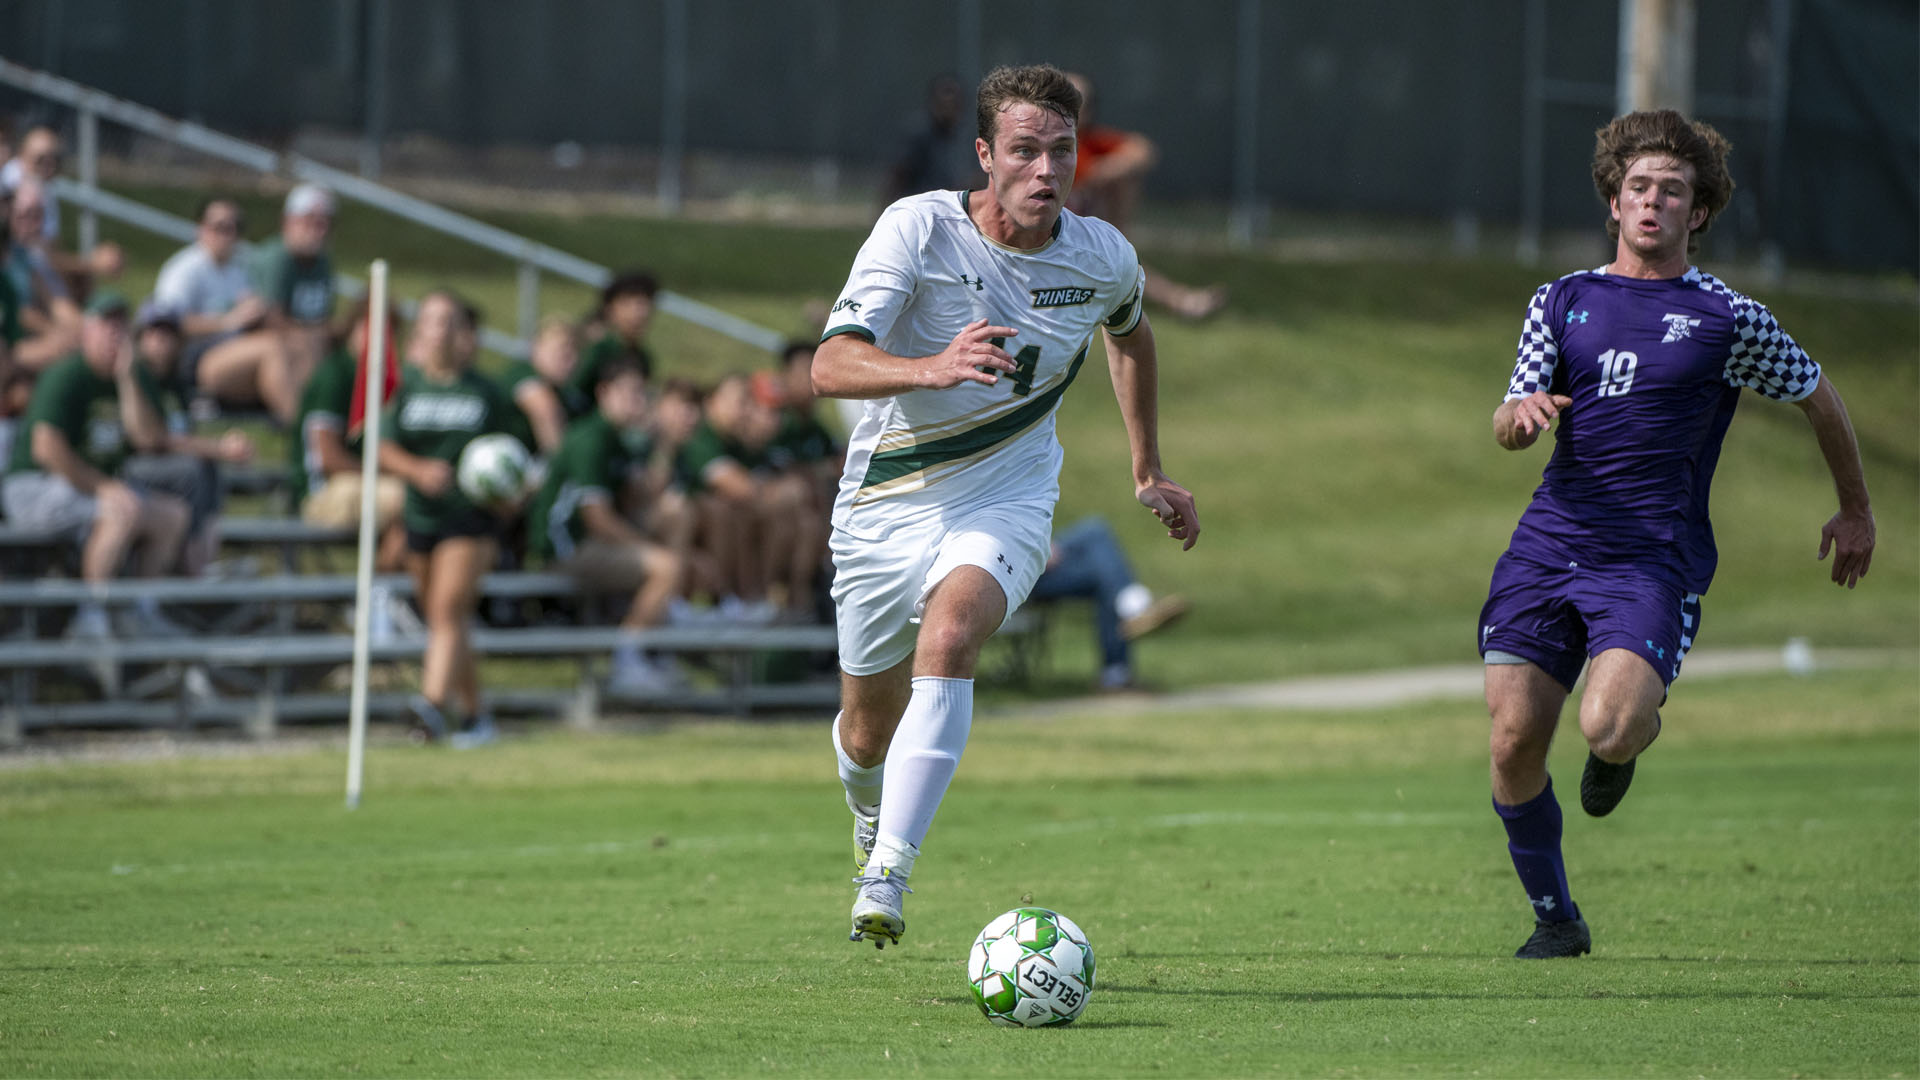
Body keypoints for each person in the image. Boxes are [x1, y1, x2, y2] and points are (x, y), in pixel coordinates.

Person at [813, 64, 1199, 948]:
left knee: (949, 639)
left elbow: (1132, 333)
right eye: (1024, 151)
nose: (1045, 170)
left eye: (1061, 152)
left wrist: (1148, 469)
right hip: (887, 503)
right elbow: (828, 366)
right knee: (866, 730)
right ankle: (870, 818)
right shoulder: (916, 229)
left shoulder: (1101, 254)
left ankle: (890, 873)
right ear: (986, 155)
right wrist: (931, 367)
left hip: (1008, 495)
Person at [1478, 110, 1875, 959]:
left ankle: (1631, 740)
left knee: (1608, 728)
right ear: (1614, 205)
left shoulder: (1730, 320)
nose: (1653, 203)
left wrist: (1856, 509)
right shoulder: (1562, 300)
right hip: (1550, 543)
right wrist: (1522, 420)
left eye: (1673, 192)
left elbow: (1819, 396)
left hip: (1651, 561)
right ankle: (1556, 918)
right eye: (1638, 189)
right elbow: (1512, 414)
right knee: (1512, 741)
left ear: (1699, 213)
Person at [0, 292, 191, 685]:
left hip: (87, 491)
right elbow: (46, 448)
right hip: (33, 487)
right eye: (106, 325)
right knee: (121, 508)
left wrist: (126, 381)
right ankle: (92, 617)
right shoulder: (67, 374)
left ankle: (139, 608)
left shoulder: (131, 378)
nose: (115, 335)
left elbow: (146, 438)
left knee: (172, 515)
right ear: (87, 331)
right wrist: (104, 487)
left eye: (121, 327)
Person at [378, 290, 520, 746]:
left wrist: (506, 492)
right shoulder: (404, 388)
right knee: (447, 623)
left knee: (446, 610)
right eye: (434, 321)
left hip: (471, 518)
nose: (443, 330)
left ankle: (431, 708)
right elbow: (380, 446)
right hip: (422, 516)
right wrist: (417, 470)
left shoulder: (485, 392)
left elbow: (515, 457)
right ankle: (478, 717)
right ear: (420, 331)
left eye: (451, 321)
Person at [529, 358, 686, 693]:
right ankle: (628, 662)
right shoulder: (591, 437)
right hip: (566, 548)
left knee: (676, 515)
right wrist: (650, 548)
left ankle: (669, 622)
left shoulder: (618, 438)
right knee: (667, 568)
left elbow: (644, 495)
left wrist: (666, 444)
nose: (637, 401)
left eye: (641, 394)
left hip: (591, 543)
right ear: (603, 393)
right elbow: (597, 520)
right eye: (629, 393)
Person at [1062, 73, 1226, 321]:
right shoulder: (1050, 145)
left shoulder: (1091, 143)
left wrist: (1100, 173)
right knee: (1114, 258)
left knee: (1125, 184)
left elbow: (1143, 151)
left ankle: (1122, 246)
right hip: (1049, 235)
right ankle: (1180, 300)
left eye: (1083, 101)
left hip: (1083, 232)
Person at [118, 300, 254, 576]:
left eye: (168, 333)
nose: (161, 341)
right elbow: (150, 439)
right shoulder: (138, 375)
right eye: (154, 333)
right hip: (129, 466)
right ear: (140, 337)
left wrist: (217, 450)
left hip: (164, 466)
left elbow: (182, 436)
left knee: (207, 469)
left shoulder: (175, 382)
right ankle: (190, 566)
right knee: (191, 471)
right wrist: (219, 448)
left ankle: (203, 559)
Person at [675, 372, 818, 623]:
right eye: (740, 403)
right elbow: (743, 490)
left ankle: (787, 600)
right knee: (727, 510)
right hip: (686, 538)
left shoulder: (736, 443)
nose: (744, 411)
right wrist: (783, 491)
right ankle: (742, 598)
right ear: (711, 402)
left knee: (801, 522)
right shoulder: (703, 438)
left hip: (712, 537)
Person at [196, 184, 336, 423]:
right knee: (292, 344)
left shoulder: (322, 263)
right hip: (220, 352)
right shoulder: (274, 258)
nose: (317, 230)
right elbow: (272, 320)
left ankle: (324, 426)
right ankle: (307, 432)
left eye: (324, 222)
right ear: (288, 221)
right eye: (309, 221)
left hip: (265, 352)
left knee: (310, 344)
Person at [291, 298, 407, 571]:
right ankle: (380, 595)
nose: (381, 340)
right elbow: (327, 458)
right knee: (407, 500)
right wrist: (391, 475)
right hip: (324, 491)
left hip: (363, 483)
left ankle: (391, 593)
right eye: (373, 329)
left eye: (389, 333)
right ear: (355, 327)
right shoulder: (336, 373)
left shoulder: (386, 378)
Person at [1028, 516, 1190, 691]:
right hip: (1021, 577)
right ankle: (1135, 606)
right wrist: (1035, 553)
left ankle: (1115, 675)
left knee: (1105, 579)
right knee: (1095, 533)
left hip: (1035, 564)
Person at [152, 198, 267, 389]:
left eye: (236, 227)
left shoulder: (240, 271)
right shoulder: (183, 269)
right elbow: (169, 322)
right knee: (273, 350)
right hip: (196, 361)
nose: (229, 234)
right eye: (220, 227)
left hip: (235, 352)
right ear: (201, 229)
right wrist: (230, 321)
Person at [0, 125, 123, 286]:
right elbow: (45, 256)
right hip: (12, 270)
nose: (49, 165)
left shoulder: (42, 189)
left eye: (56, 159)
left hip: (22, 268)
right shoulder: (13, 186)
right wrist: (94, 264)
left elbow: (51, 249)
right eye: (41, 159)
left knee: (79, 281)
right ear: (22, 155)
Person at [883, 73, 974, 204]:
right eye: (944, 104)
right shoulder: (918, 135)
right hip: (919, 207)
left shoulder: (961, 137)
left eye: (954, 104)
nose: (949, 110)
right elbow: (898, 175)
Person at [504, 316, 590, 454]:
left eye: (575, 351)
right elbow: (545, 412)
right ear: (537, 347)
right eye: (562, 350)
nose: (570, 359)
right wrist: (561, 468)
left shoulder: (566, 392)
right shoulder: (523, 373)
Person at [573, 270, 658, 396]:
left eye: (645, 305)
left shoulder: (642, 357)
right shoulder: (596, 346)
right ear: (610, 307)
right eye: (631, 304)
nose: (640, 313)